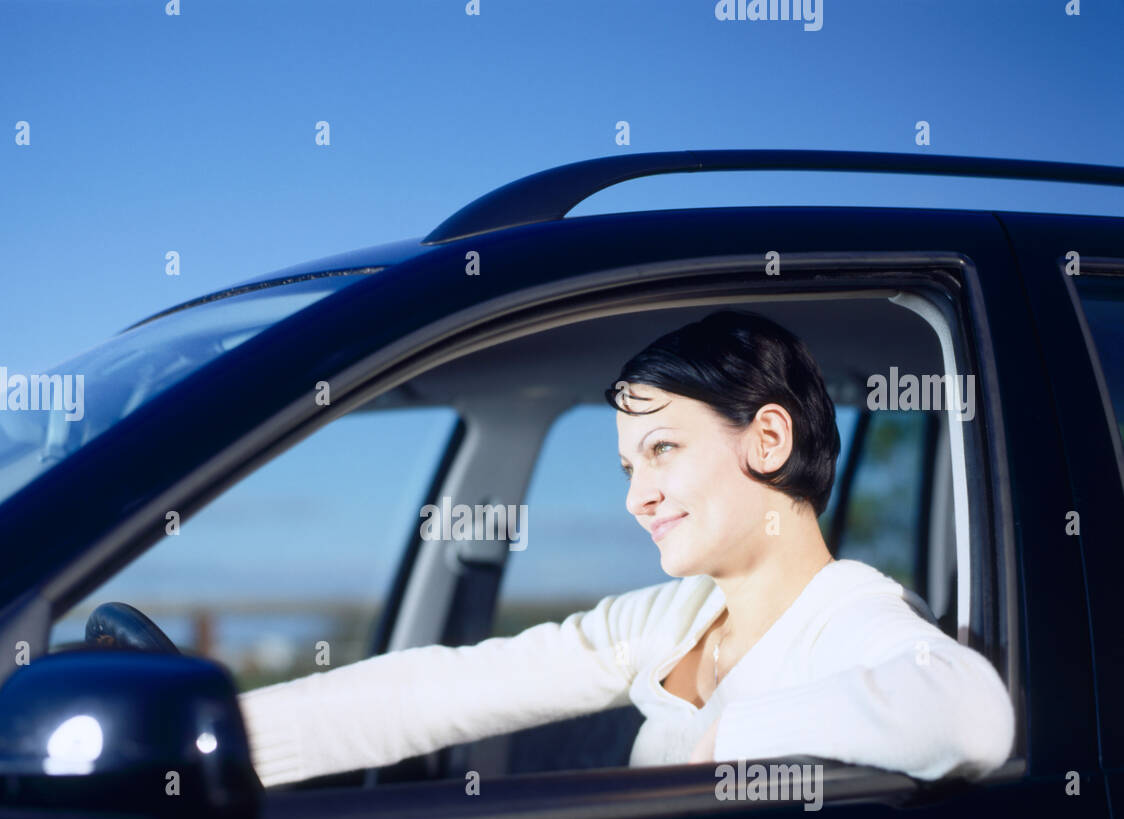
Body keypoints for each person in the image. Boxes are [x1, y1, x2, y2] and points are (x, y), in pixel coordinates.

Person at [238, 310, 1015, 788]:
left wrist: (728, 742)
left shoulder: (849, 616)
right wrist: (207, 742)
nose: (635, 495)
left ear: (769, 438)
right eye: (627, 464)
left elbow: (970, 715)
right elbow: (442, 689)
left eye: (664, 448)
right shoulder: (672, 616)